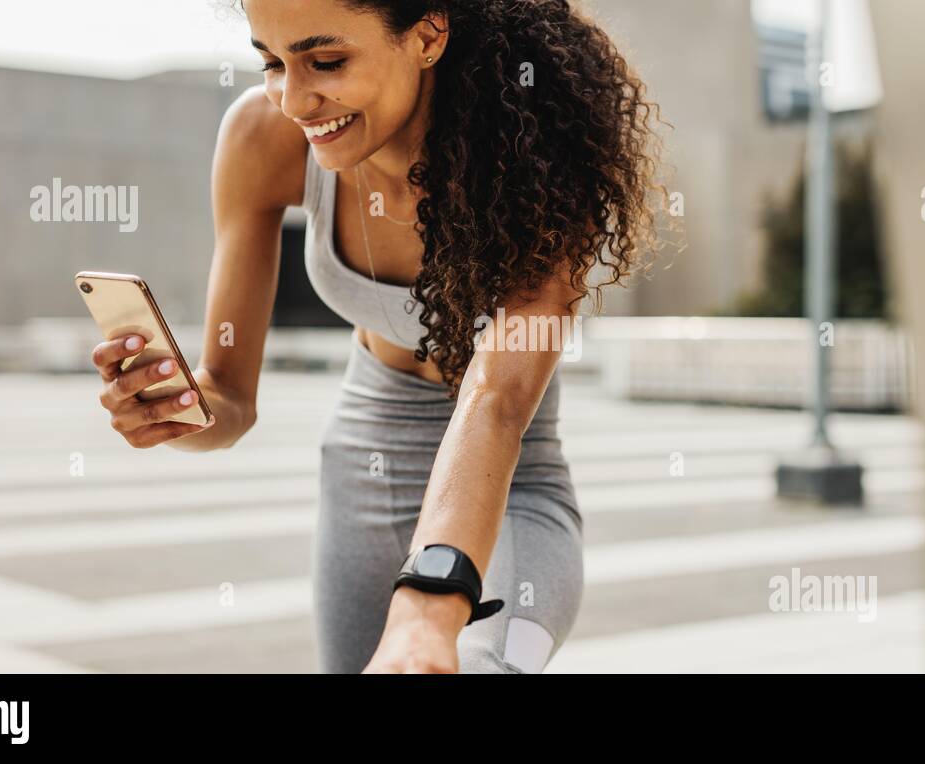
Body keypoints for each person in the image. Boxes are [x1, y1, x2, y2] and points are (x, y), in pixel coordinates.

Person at [89, 0, 670, 673]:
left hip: (508, 476)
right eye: (272, 62)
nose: (294, 100)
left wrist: (424, 610)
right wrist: (178, 408)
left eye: (326, 61)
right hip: (363, 463)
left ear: (428, 34)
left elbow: (498, 401)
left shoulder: (538, 153)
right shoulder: (262, 138)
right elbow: (230, 400)